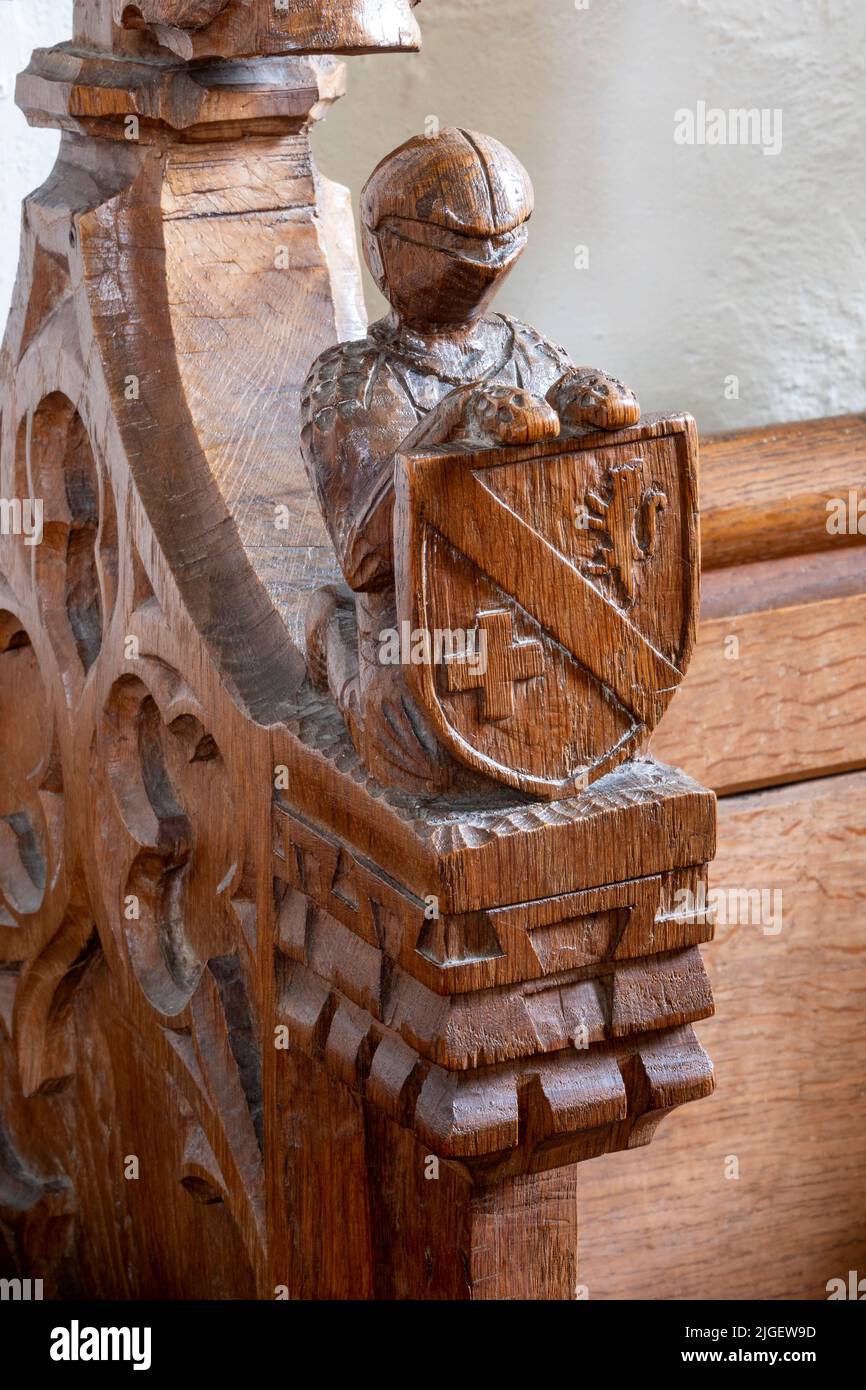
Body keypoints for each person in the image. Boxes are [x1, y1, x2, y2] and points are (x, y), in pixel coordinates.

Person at [301, 127, 640, 793]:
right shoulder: (352, 378)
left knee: (580, 737)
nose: (482, 260)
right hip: (414, 659)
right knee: (422, 759)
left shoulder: (536, 356)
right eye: (460, 243)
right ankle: (329, 633)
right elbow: (365, 560)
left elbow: (579, 516)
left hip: (541, 642)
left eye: (498, 240)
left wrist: (586, 425)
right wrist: (452, 420)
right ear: (382, 247)